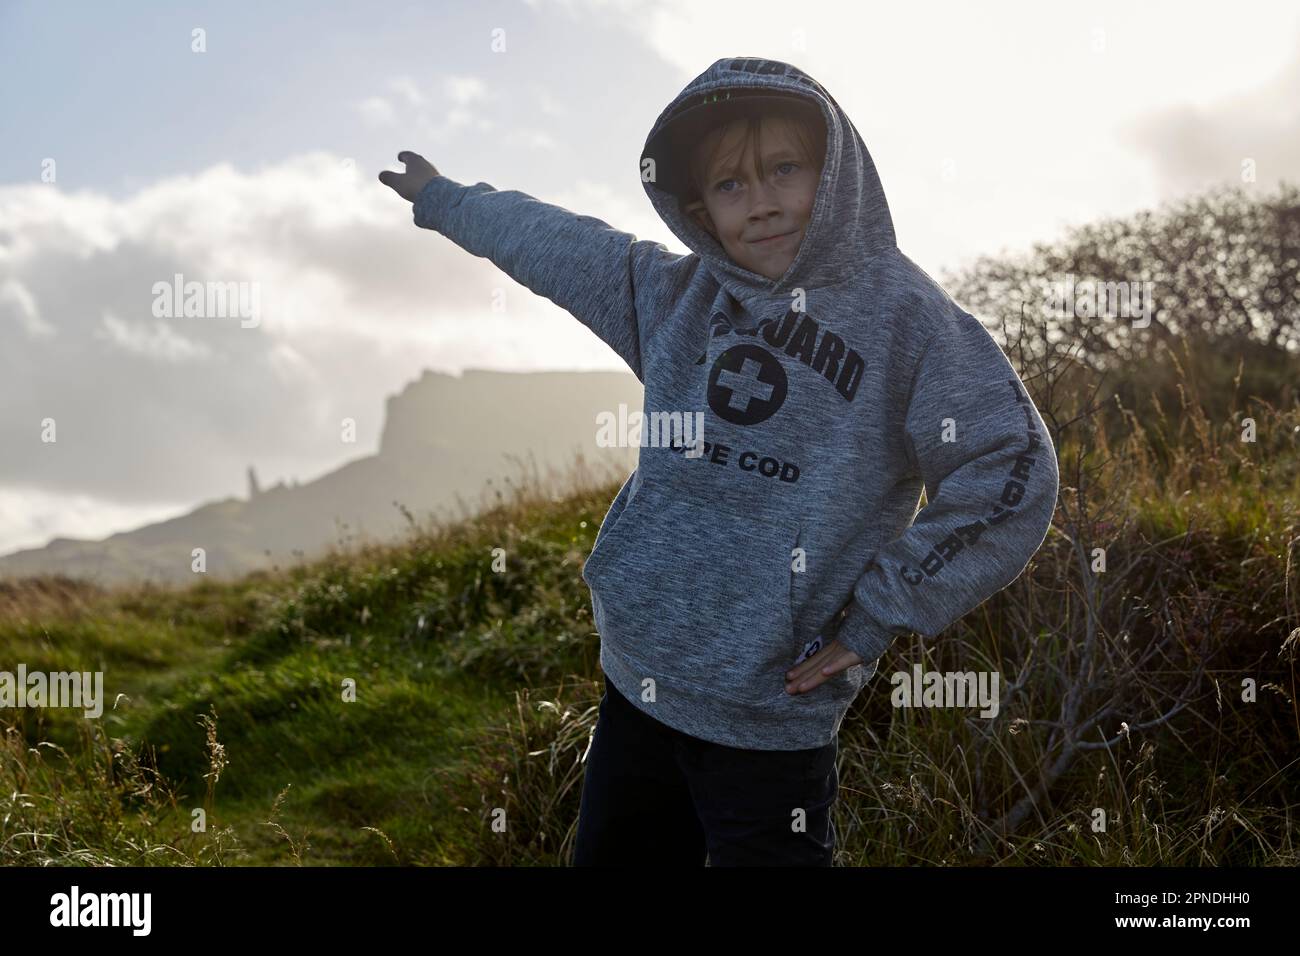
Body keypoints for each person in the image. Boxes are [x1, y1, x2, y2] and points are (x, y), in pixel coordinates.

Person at [380, 56, 1059, 866]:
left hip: (770, 716)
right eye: (732, 185)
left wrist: (884, 607)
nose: (763, 202)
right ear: (698, 207)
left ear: (834, 171)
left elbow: (1011, 472)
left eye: (783, 169)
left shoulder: (911, 326)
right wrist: (444, 199)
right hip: (640, 678)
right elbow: (555, 243)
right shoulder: (674, 298)